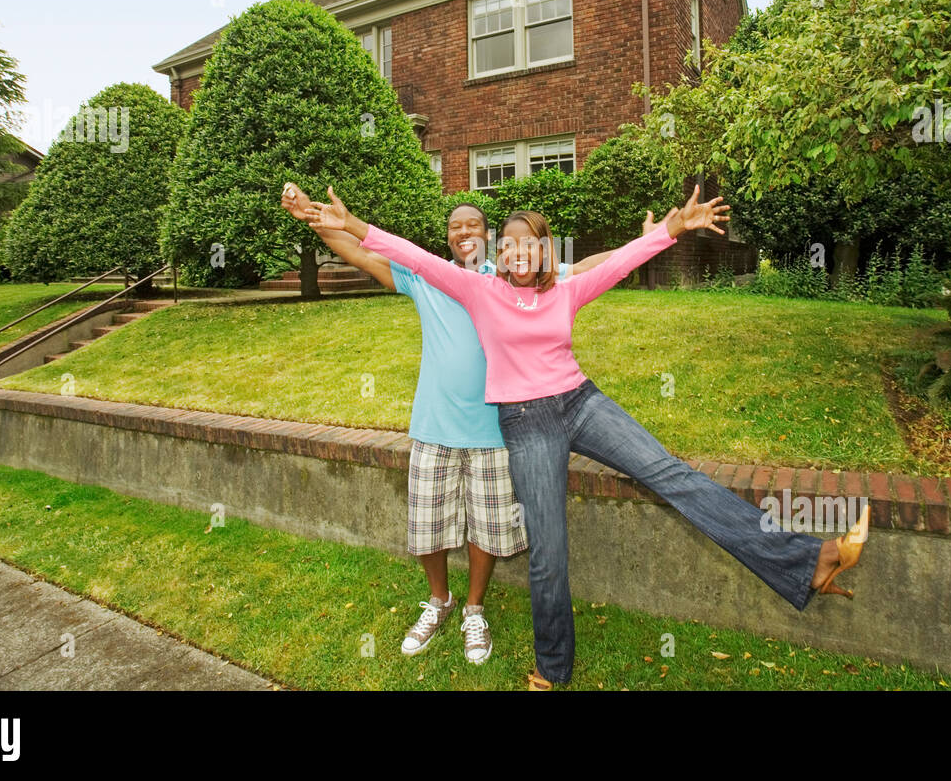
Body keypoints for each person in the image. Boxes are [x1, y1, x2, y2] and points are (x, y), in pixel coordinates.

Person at [301, 184, 870, 690]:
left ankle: (808, 560)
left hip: (580, 402)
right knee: (549, 552)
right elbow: (411, 256)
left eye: (528, 243)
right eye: (508, 244)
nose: (517, 253)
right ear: (500, 254)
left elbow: (621, 262)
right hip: (524, 424)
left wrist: (674, 228)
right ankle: (553, 671)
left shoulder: (564, 291)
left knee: (671, 474)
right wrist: (348, 225)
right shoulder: (480, 292)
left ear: (543, 252)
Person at [281, 183, 627, 664]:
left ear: (488, 235)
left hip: (493, 431)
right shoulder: (426, 276)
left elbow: (585, 268)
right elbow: (359, 252)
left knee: (486, 527)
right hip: (434, 427)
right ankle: (438, 599)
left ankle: (473, 608)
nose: (464, 232)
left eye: (473, 225)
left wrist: (645, 239)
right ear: (447, 237)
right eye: (454, 226)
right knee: (428, 526)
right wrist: (311, 219)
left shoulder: (512, 276)